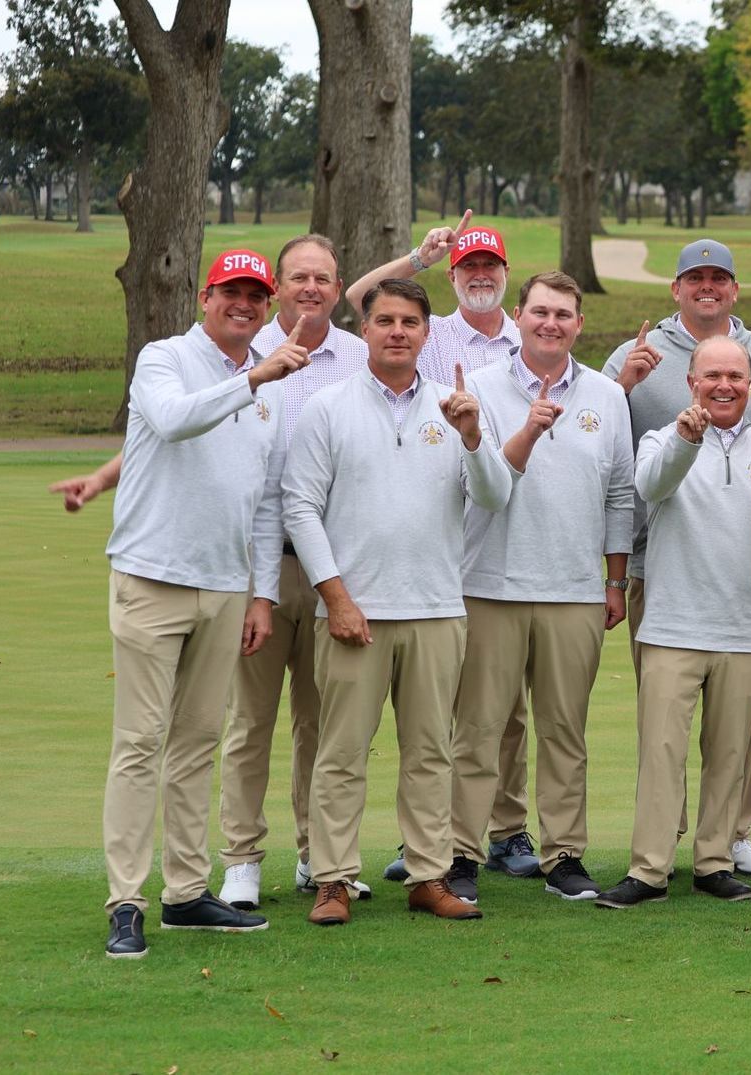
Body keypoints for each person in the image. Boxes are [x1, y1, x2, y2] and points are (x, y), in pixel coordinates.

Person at [282, 278, 516, 926]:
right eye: (384, 320)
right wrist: (336, 595)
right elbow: (299, 505)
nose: (397, 331)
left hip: (437, 608)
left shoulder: (457, 405)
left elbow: (495, 496)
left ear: (425, 331)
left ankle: (428, 874)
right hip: (353, 612)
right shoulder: (328, 408)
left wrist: (472, 436)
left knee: (429, 752)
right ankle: (333, 878)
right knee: (341, 752)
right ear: (366, 330)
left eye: (410, 321)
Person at [98, 248, 307, 958]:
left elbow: (257, 500)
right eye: (231, 292)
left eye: (256, 294)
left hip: (223, 588)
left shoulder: (261, 385)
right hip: (153, 575)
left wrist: (259, 593)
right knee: (139, 742)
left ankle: (186, 892)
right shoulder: (164, 358)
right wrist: (254, 378)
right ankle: (126, 900)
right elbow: (173, 420)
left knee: (195, 744)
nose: (243, 304)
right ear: (206, 296)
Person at [603, 238, 751, 880]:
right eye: (696, 277)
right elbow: (643, 476)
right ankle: (652, 862)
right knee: (662, 745)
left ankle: (721, 852)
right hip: (659, 582)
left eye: (720, 277)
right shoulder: (652, 398)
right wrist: (677, 429)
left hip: (742, 612)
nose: (708, 287)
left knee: (730, 747)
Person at [346, 213, 540, 879]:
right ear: (454, 276)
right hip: (434, 549)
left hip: (505, 544)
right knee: (435, 715)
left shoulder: (531, 337)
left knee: (501, 706)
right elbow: (358, 301)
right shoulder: (428, 333)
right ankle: (425, 840)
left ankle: (508, 828)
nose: (479, 275)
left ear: (504, 274)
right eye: (467, 267)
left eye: (489, 266)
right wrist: (417, 259)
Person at [446, 271, 633, 905]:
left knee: (563, 730)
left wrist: (615, 580)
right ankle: (463, 854)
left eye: (564, 315)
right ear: (518, 317)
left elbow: (619, 496)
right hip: (489, 584)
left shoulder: (607, 396)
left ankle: (563, 856)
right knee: (479, 729)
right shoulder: (481, 391)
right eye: (540, 312)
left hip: (575, 590)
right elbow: (481, 487)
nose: (551, 324)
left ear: (579, 325)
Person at [214, 235, 373, 910]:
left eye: (324, 278)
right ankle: (242, 859)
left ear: (339, 290)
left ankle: (319, 854)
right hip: (257, 565)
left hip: (333, 569)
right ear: (278, 287)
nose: (311, 287)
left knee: (322, 722)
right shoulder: (241, 357)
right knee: (251, 722)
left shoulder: (361, 357)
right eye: (299, 277)